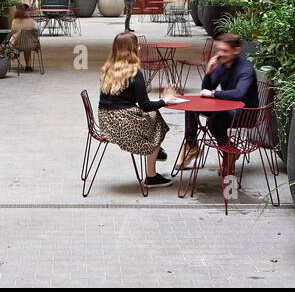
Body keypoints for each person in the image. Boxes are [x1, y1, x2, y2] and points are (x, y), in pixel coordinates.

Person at [174, 33, 258, 177]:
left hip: (246, 113)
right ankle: (192, 145)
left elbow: (239, 94)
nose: (220, 54)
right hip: (226, 109)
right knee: (191, 107)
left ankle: (229, 152)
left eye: (225, 51)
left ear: (236, 50)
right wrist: (208, 72)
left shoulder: (246, 69)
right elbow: (205, 90)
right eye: (219, 50)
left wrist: (214, 94)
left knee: (215, 120)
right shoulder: (222, 65)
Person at [97, 31, 174, 188]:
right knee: (156, 120)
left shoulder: (108, 69)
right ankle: (152, 174)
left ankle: (156, 151)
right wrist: (165, 100)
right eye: (137, 45)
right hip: (125, 125)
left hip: (106, 123)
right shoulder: (135, 72)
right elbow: (145, 105)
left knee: (153, 118)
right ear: (132, 49)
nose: (139, 48)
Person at [9, 2, 39, 71]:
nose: (29, 12)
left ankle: (14, 55)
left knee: (13, 39)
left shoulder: (14, 21)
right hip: (32, 45)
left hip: (17, 45)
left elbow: (12, 32)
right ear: (25, 12)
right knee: (27, 44)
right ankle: (28, 66)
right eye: (28, 11)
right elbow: (36, 33)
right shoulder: (31, 21)